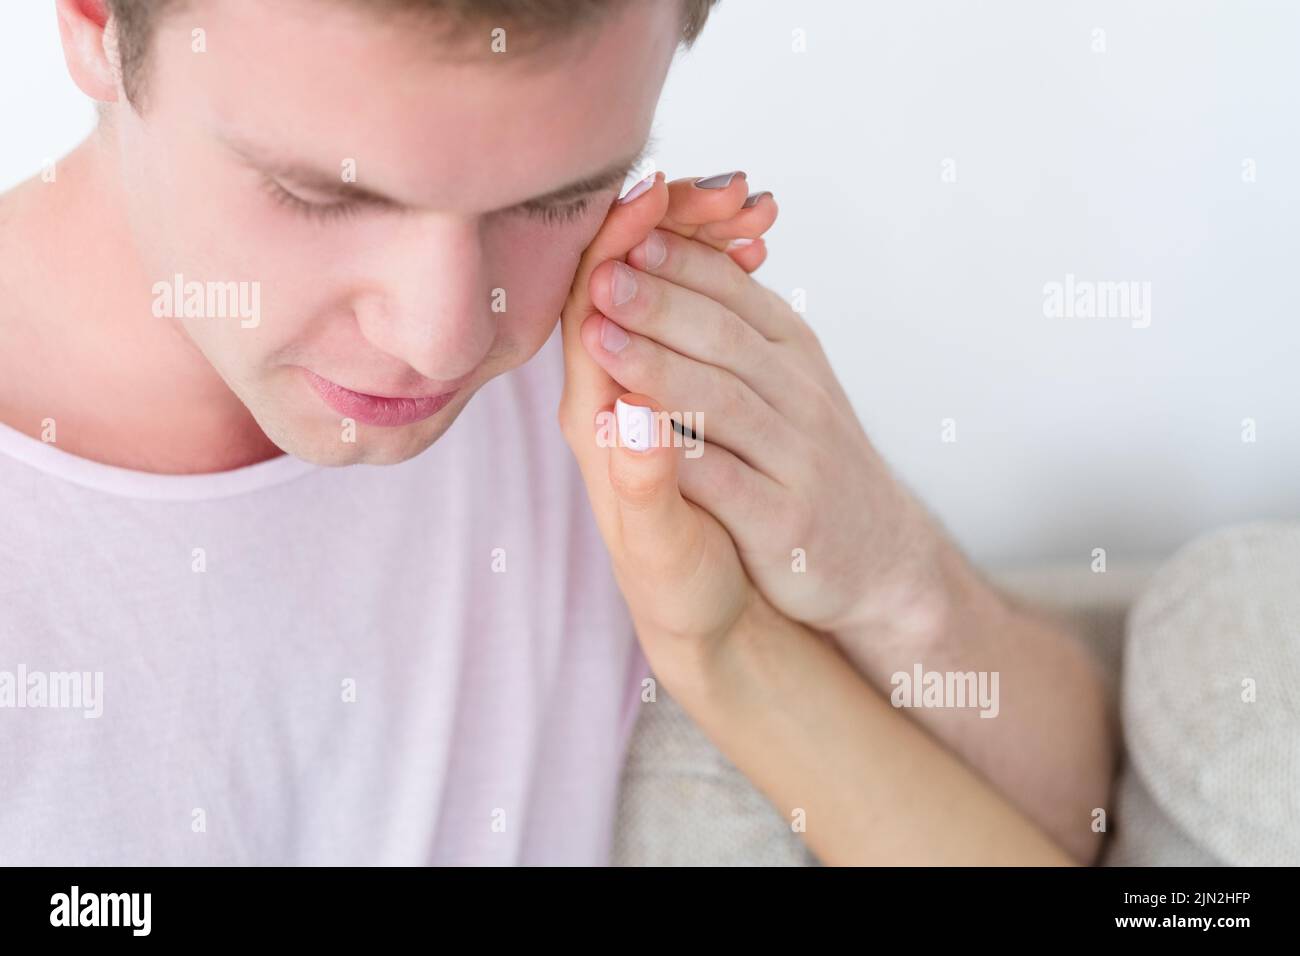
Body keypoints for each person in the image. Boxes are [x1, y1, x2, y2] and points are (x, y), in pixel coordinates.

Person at [0, 0, 1112, 865]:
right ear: (95, 20)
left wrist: (882, 577)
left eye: (553, 199)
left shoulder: (604, 380)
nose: (441, 340)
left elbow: (1071, 822)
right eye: (322, 197)